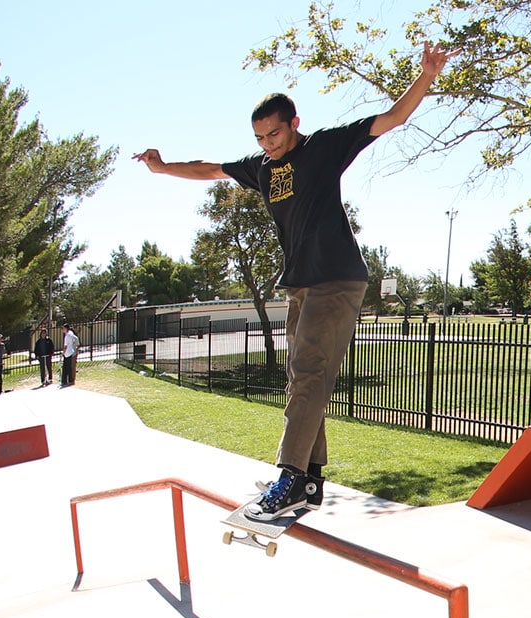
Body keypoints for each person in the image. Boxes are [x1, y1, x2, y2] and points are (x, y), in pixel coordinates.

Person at [134, 42, 449, 523]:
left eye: (275, 134)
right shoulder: (261, 168)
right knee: (300, 379)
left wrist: (425, 76)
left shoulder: (323, 147)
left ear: (294, 123)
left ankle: (288, 477)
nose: (268, 144)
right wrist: (162, 167)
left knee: (308, 372)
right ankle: (309, 478)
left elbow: (391, 119)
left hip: (337, 279)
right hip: (300, 284)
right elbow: (209, 169)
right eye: (260, 137)